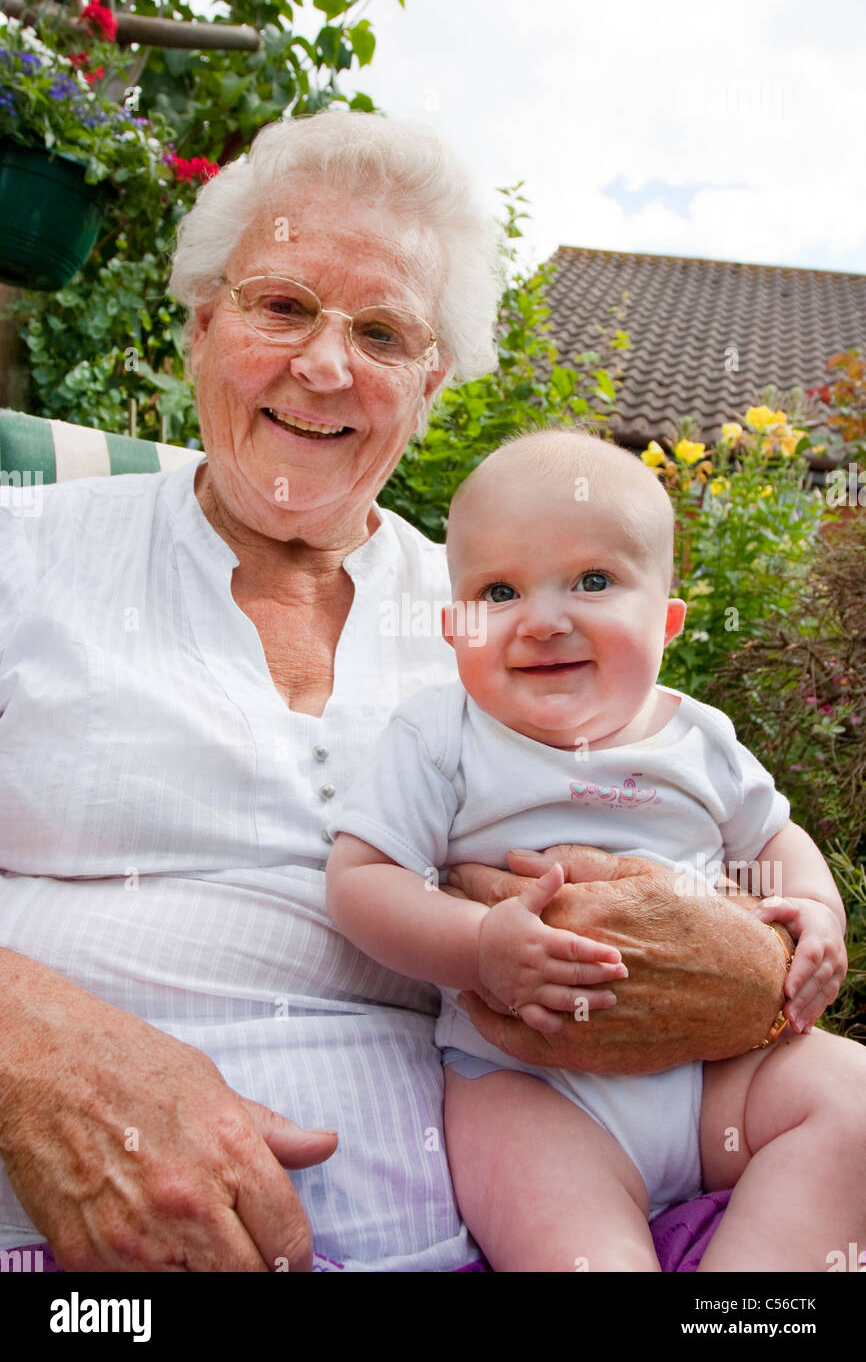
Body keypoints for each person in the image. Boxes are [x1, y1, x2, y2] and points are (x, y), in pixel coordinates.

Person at [0, 113, 820, 1273]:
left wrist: (662, 933)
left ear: (428, 383)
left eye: (380, 332)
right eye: (280, 307)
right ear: (198, 326)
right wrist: (38, 1055)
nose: (324, 365)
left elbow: (679, 874)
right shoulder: (22, 549)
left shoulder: (507, 621)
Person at [327, 426, 864, 1271]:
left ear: (668, 621)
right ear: (452, 626)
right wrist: (475, 947)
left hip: (714, 1073)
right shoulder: (442, 735)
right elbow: (360, 881)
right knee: (577, 1246)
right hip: (535, 1090)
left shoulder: (701, 739)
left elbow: (776, 838)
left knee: (855, 1101)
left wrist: (818, 916)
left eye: (594, 580)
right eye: (499, 591)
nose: (543, 620)